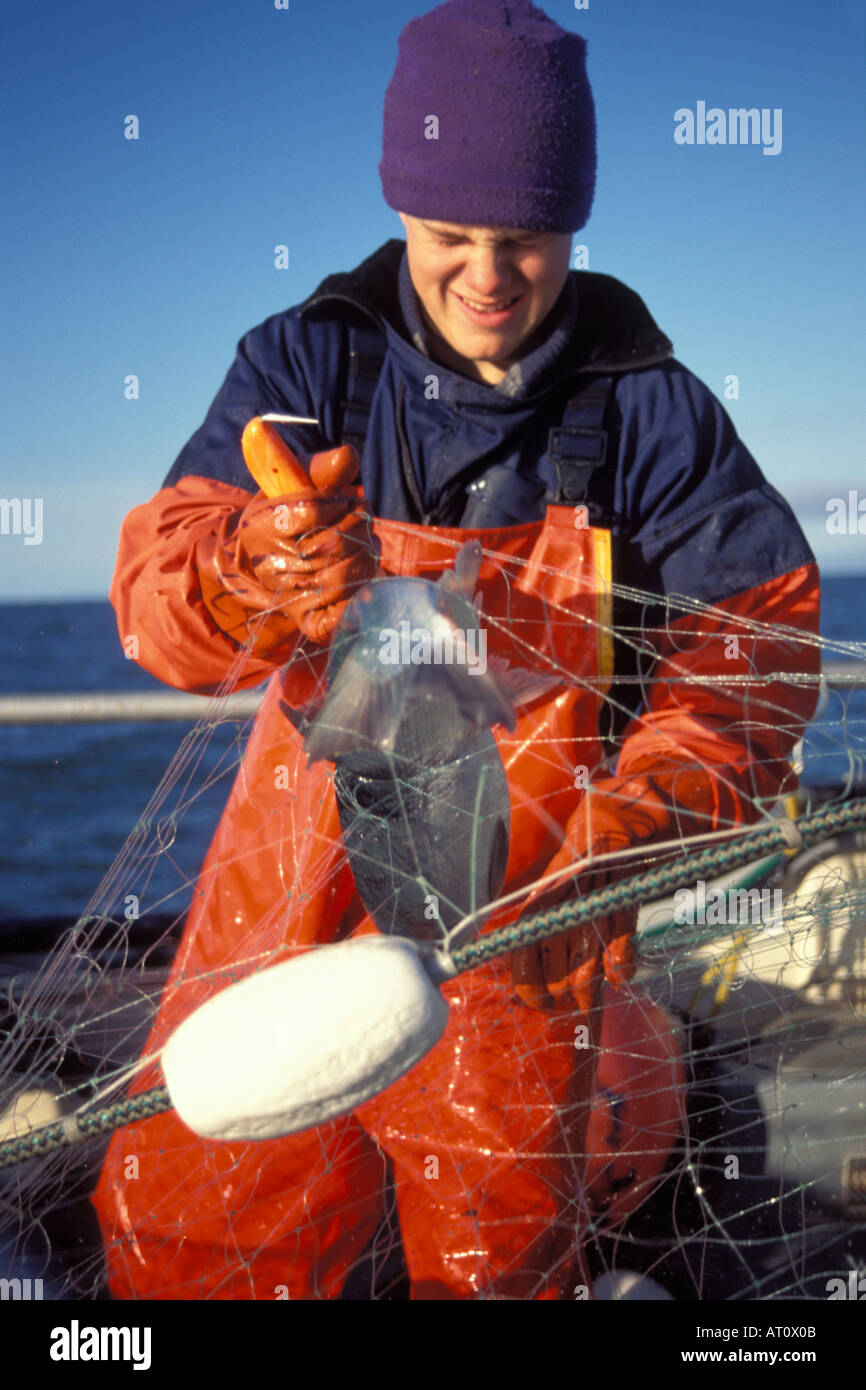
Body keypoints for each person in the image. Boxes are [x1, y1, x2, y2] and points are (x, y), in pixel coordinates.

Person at [92, 0, 820, 1300]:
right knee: (201, 1217)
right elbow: (162, 609)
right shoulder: (303, 359)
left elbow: (748, 649)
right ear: (398, 215)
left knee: (497, 1241)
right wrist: (254, 566)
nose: (487, 273)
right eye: (448, 235)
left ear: (572, 229)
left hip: (524, 906)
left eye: (526, 238)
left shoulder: (650, 408)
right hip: (292, 891)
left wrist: (625, 838)